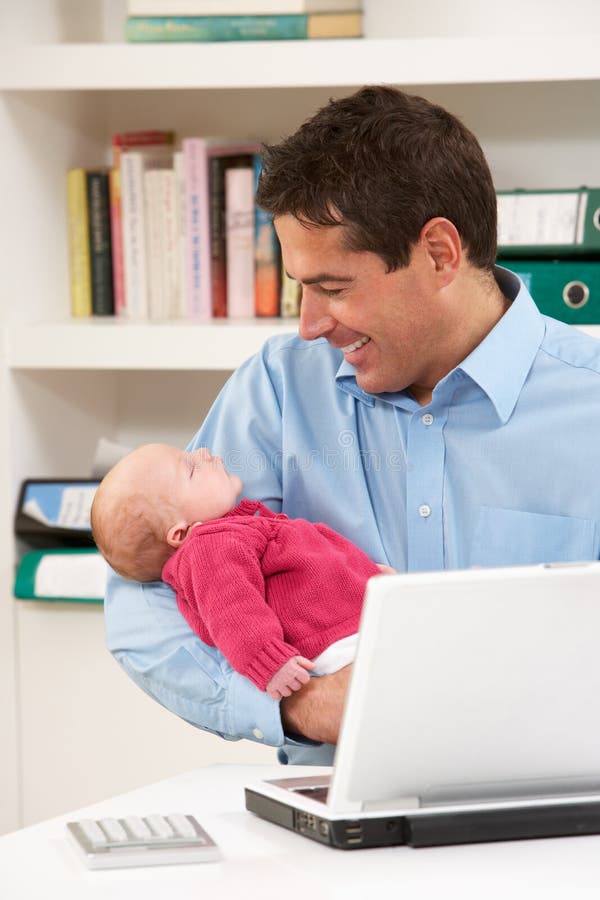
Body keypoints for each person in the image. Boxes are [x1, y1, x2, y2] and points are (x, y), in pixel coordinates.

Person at [105, 85, 600, 766]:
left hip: (558, 819)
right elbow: (142, 608)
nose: (308, 325)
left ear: (439, 254)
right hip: (336, 824)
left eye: (333, 288)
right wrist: (298, 707)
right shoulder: (281, 387)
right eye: (300, 289)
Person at [91, 442, 388, 700]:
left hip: (352, 629)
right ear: (180, 534)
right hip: (337, 644)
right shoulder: (208, 549)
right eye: (191, 468)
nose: (203, 452)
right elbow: (232, 612)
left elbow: (314, 564)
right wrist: (268, 661)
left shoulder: (230, 535)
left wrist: (368, 577)